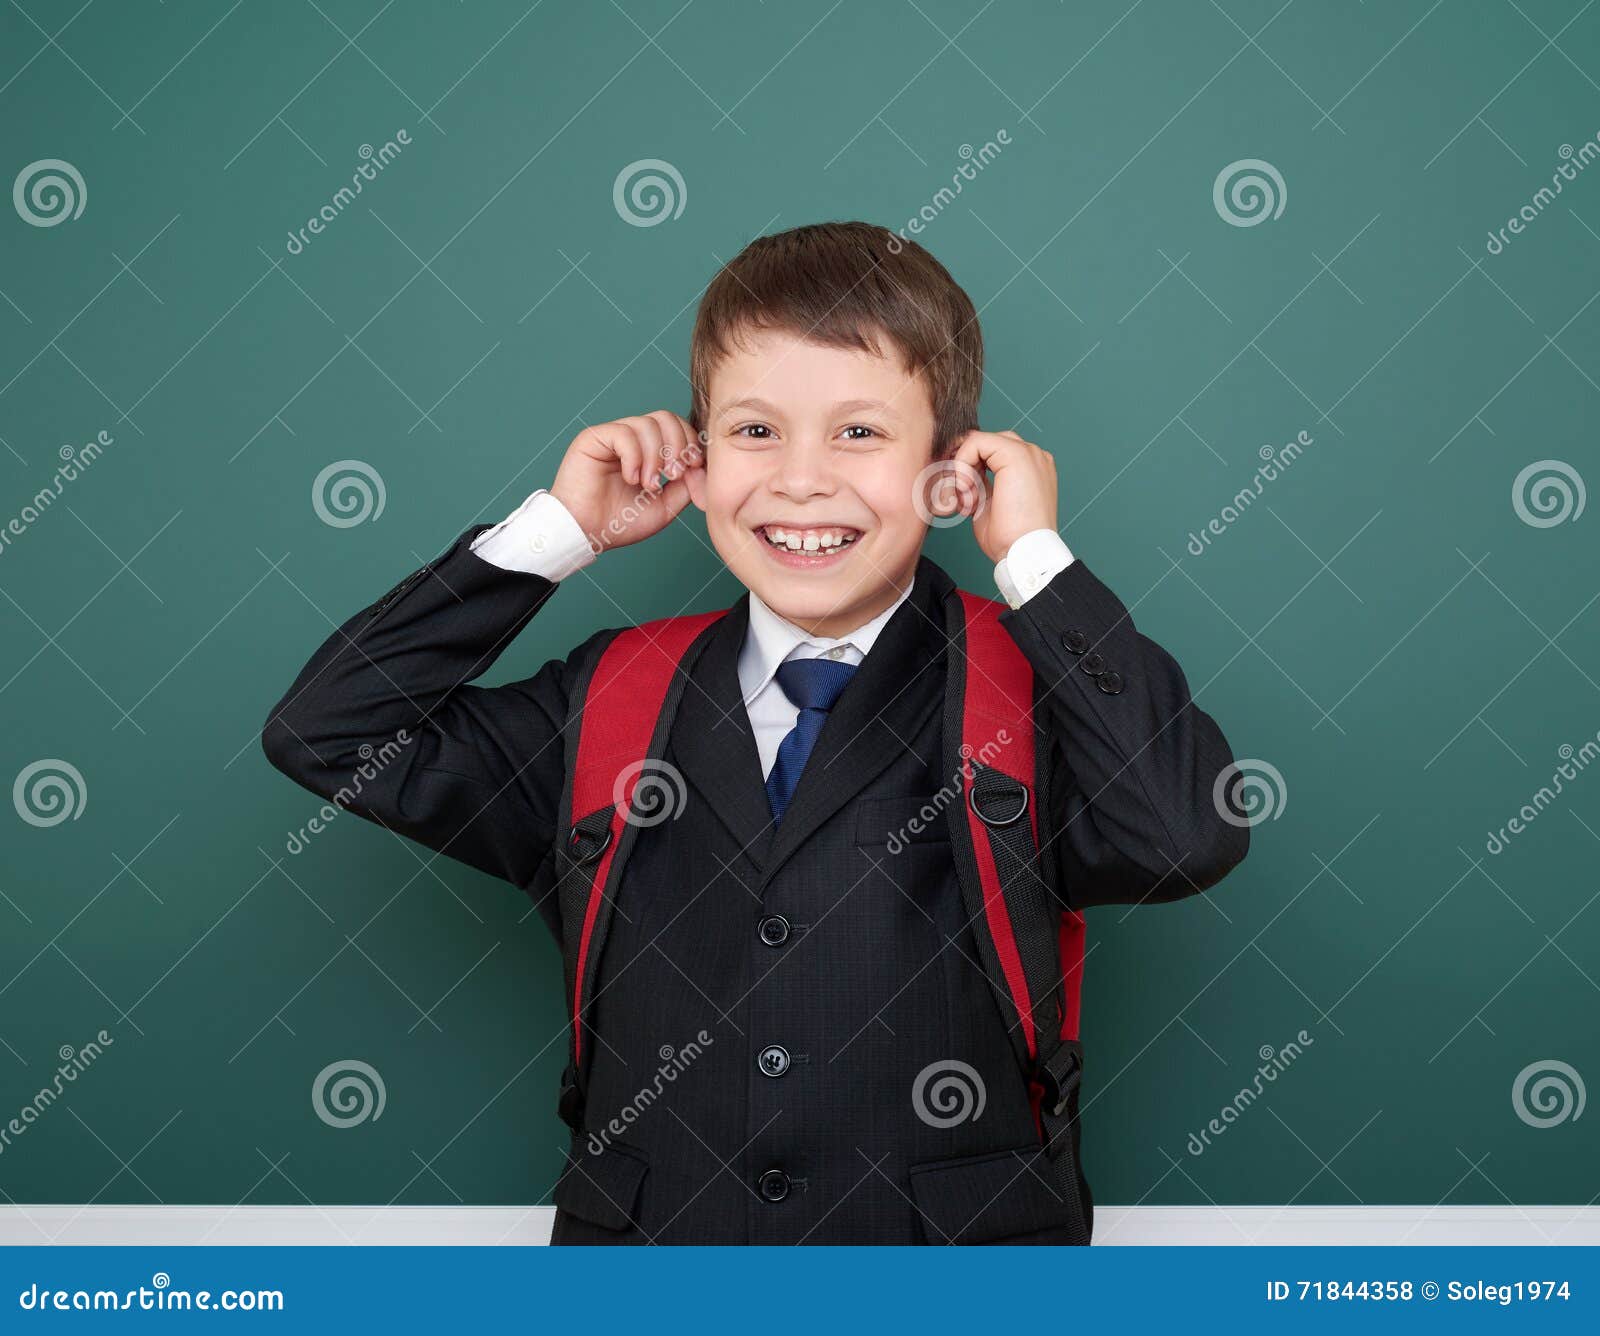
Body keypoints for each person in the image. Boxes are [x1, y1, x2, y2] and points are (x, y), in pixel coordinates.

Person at [262, 220, 1249, 1244]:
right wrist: (555, 533)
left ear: (953, 471)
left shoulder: (1034, 691)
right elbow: (329, 733)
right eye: (755, 431)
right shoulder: (606, 696)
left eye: (859, 433)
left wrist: (1036, 559)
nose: (800, 481)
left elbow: (1183, 834)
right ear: (693, 455)